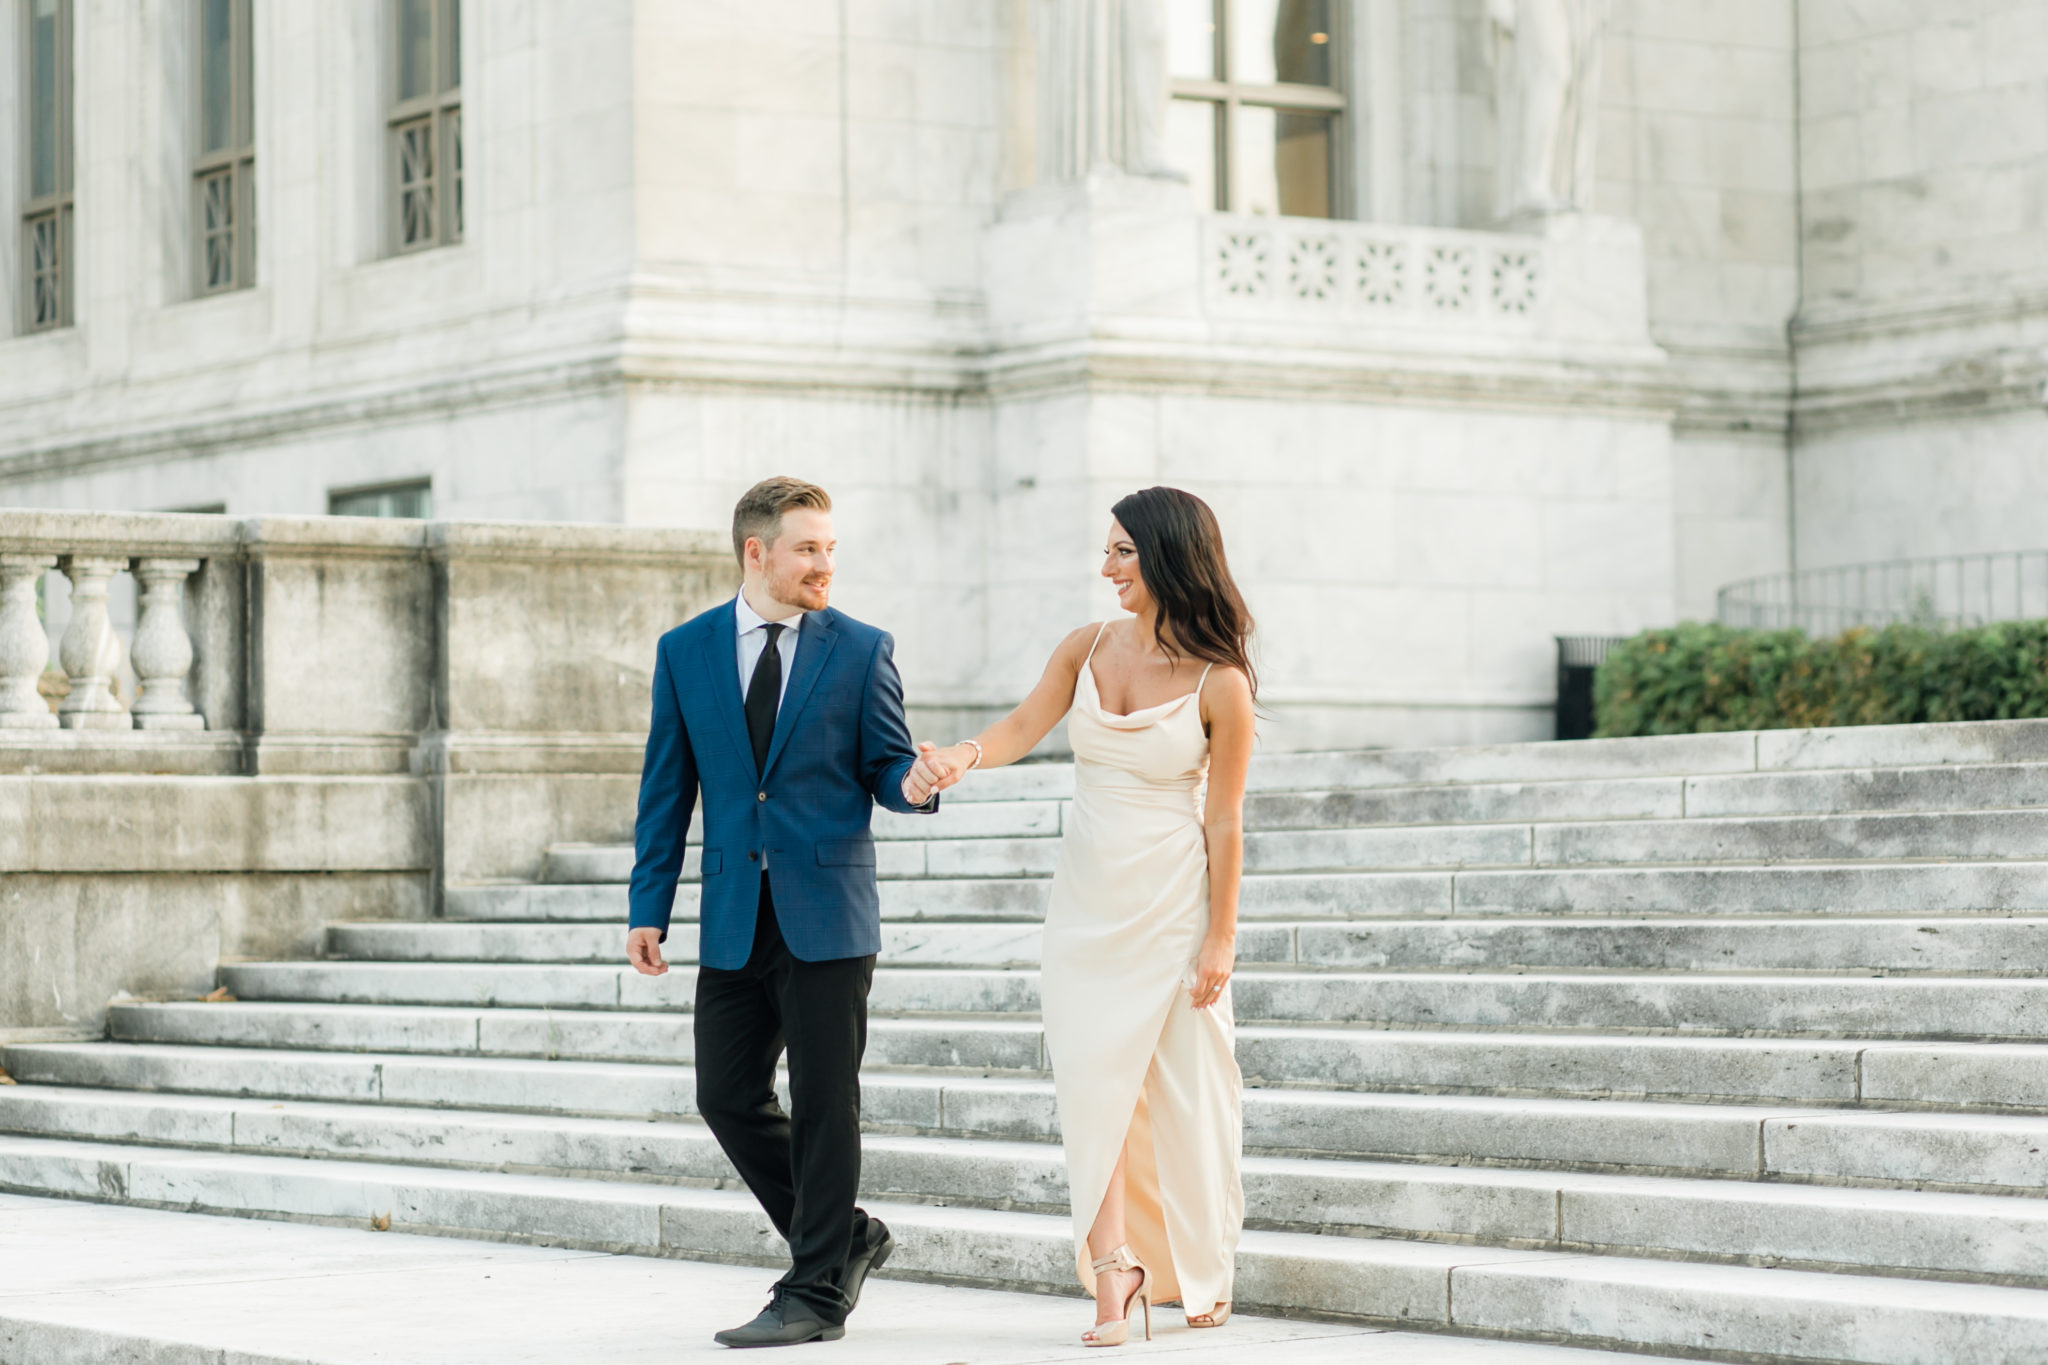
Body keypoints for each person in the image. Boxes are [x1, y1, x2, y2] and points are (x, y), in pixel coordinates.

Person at [917, 486, 1254, 1346]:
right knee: (1090, 1088)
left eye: (1122, 552)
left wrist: (1220, 935)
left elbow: (1225, 820)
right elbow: (1023, 724)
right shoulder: (1087, 645)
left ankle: (1200, 1261)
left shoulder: (1222, 683)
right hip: (1085, 905)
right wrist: (961, 756)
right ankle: (1114, 1276)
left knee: (1190, 1089)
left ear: (1169, 554)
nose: (1106, 568)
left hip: (1173, 904)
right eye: (1107, 551)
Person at [626, 476, 950, 1349]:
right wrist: (649, 902)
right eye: (808, 548)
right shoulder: (686, 650)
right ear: (756, 551)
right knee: (725, 1094)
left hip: (827, 910)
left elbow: (886, 766)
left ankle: (814, 1290)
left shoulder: (861, 648)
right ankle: (846, 1237)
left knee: (824, 1104)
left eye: (831, 549)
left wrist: (916, 784)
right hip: (735, 908)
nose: (825, 564)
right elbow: (667, 787)